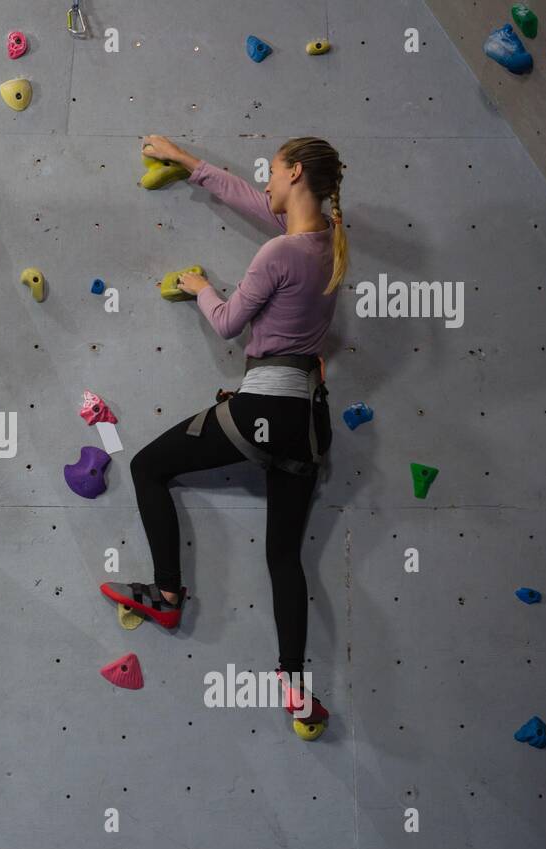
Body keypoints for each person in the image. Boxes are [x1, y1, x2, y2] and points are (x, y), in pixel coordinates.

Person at [100, 136, 347, 729]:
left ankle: (165, 595)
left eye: (272, 172)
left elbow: (229, 325)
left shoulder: (278, 255)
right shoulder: (329, 241)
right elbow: (261, 207)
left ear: (293, 172)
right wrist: (192, 164)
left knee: (145, 467)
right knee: (284, 557)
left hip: (263, 410)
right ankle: (294, 686)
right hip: (309, 425)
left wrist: (200, 289)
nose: (265, 183)